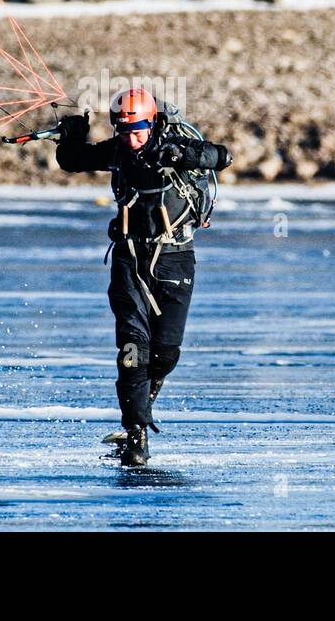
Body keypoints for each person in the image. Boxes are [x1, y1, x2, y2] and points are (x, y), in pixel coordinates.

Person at [54, 88, 232, 466]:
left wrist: (186, 155)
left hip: (175, 259)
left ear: (151, 123)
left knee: (166, 352)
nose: (131, 139)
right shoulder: (119, 150)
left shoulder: (174, 146)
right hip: (129, 258)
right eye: (123, 130)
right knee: (133, 350)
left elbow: (223, 156)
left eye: (137, 131)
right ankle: (136, 436)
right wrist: (71, 134)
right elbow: (73, 161)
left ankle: (140, 409)